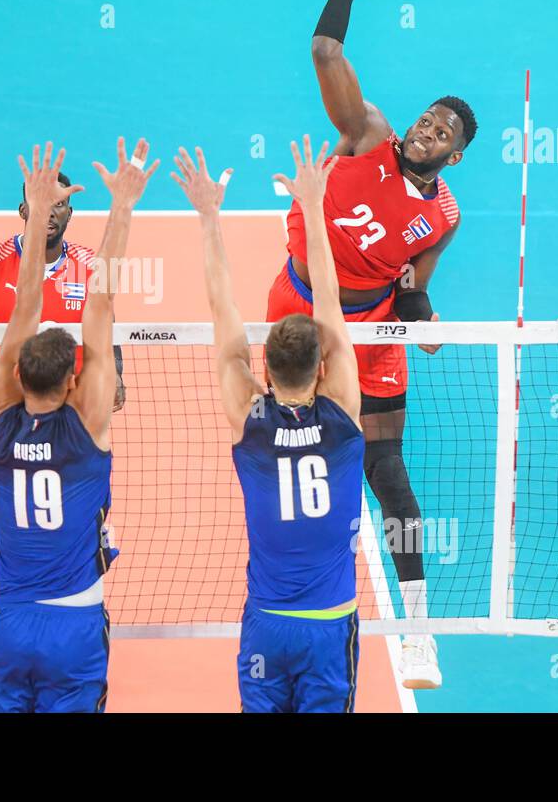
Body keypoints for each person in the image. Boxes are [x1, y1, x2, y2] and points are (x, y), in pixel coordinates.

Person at [267, 0, 478, 688]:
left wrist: (420, 311)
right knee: (295, 447)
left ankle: (417, 629)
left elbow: (415, 282)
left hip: (372, 327)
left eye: (442, 130)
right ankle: (300, 594)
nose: (427, 128)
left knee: (387, 474)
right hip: (296, 304)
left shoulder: (444, 215)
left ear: (454, 155)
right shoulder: (365, 136)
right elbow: (325, 49)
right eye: (427, 117)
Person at [177, 138, 364, 711]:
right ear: (324, 366)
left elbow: (222, 310)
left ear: (264, 367)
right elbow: (331, 300)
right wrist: (312, 204)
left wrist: (209, 215)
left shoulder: (250, 421)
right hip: (329, 628)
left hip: (267, 626)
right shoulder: (341, 416)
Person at [0, 139, 155, 712]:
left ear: (16, 374)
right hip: (74, 625)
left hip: (9, 621)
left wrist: (34, 204)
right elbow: (99, 309)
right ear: (73, 382)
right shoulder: (86, 433)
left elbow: (25, 303)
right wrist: (122, 206)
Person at [0, 165, 125, 643]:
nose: (54, 213)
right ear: (24, 211)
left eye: (61, 204)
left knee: (74, 545)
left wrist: (115, 375)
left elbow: (106, 332)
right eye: (45, 205)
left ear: (71, 211)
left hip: (70, 429)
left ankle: (66, 617)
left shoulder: (89, 267)